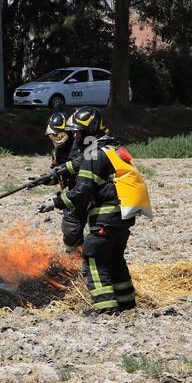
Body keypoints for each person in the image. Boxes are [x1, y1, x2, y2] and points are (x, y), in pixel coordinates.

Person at [37, 107, 139, 315]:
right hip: (123, 216)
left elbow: (82, 190)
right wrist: (59, 171)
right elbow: (79, 164)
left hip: (106, 216)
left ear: (88, 131)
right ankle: (127, 305)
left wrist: (55, 202)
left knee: (92, 257)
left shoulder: (92, 154)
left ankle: (105, 308)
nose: (75, 136)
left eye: (78, 132)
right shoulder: (108, 149)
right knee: (114, 259)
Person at [43, 110, 85, 250]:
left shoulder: (80, 145)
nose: (56, 139)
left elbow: (85, 165)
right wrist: (46, 179)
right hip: (71, 195)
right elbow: (57, 176)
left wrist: (64, 168)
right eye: (53, 136)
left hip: (87, 190)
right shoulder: (56, 151)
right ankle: (76, 257)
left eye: (59, 135)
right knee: (70, 230)